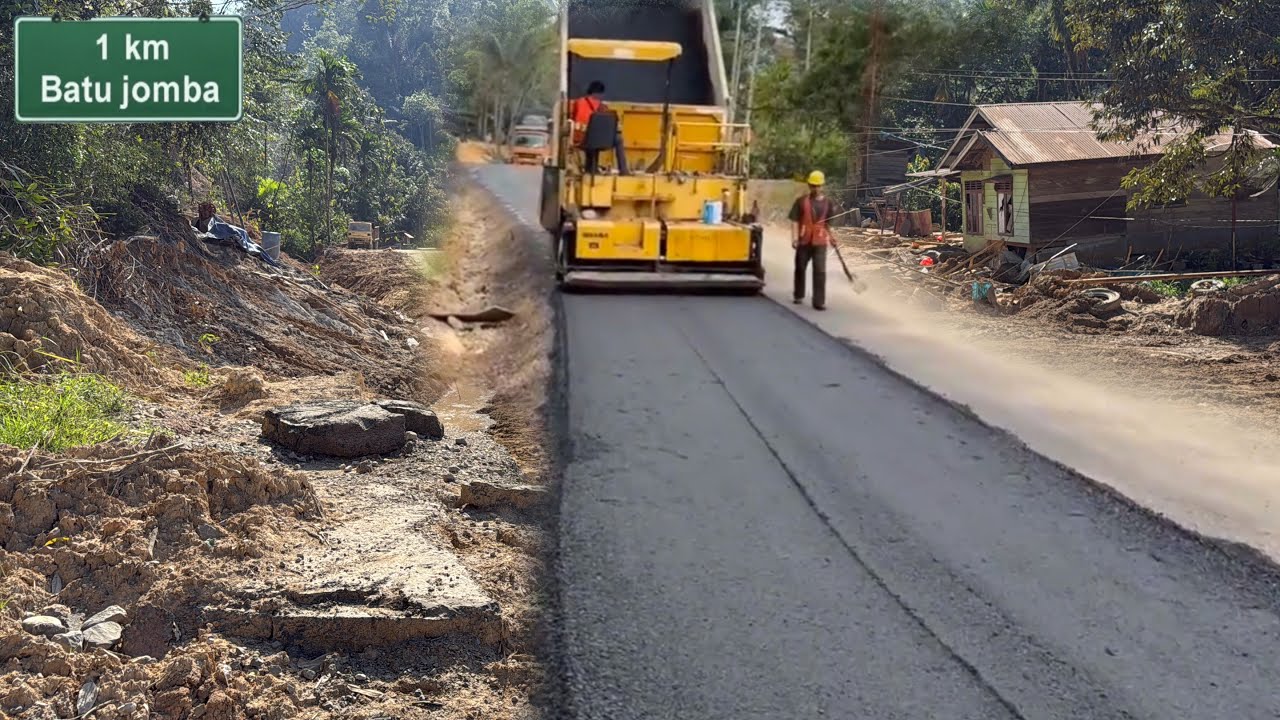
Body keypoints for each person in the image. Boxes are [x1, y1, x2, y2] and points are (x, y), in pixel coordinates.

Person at [789, 170, 834, 310]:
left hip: (820, 241)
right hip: (804, 240)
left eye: (818, 186)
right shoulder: (801, 201)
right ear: (809, 185)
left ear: (822, 186)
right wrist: (794, 238)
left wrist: (832, 237)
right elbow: (794, 221)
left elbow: (828, 223)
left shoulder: (828, 203)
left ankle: (819, 301)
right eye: (813, 185)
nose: (816, 188)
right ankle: (798, 295)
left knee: (820, 271)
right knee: (800, 267)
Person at [569, 80, 628, 174]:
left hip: (579, 139)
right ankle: (624, 170)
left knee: (593, 138)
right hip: (594, 140)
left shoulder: (578, 103)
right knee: (618, 139)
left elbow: (571, 118)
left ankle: (591, 169)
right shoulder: (602, 107)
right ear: (598, 93)